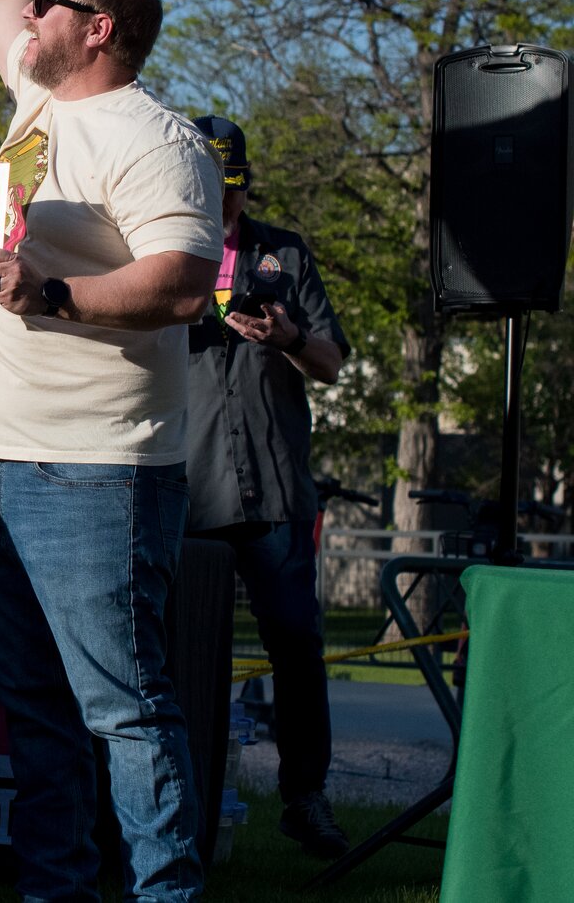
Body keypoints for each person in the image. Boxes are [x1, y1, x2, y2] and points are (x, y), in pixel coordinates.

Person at [0, 0, 224, 899]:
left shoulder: (157, 140)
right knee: (32, 711)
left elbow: (180, 281)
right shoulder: (35, 97)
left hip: (93, 471)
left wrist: (48, 292)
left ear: (95, 28)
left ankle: (163, 894)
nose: (24, 18)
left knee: (124, 709)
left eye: (53, 6)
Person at [183, 115, 351, 858]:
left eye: (229, 187)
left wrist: (287, 336)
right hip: (187, 488)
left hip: (275, 486)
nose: (219, 200)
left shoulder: (282, 252)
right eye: (207, 185)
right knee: (188, 656)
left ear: (244, 186)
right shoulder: (160, 251)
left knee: (297, 643)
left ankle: (304, 796)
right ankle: (188, 803)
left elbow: (333, 361)